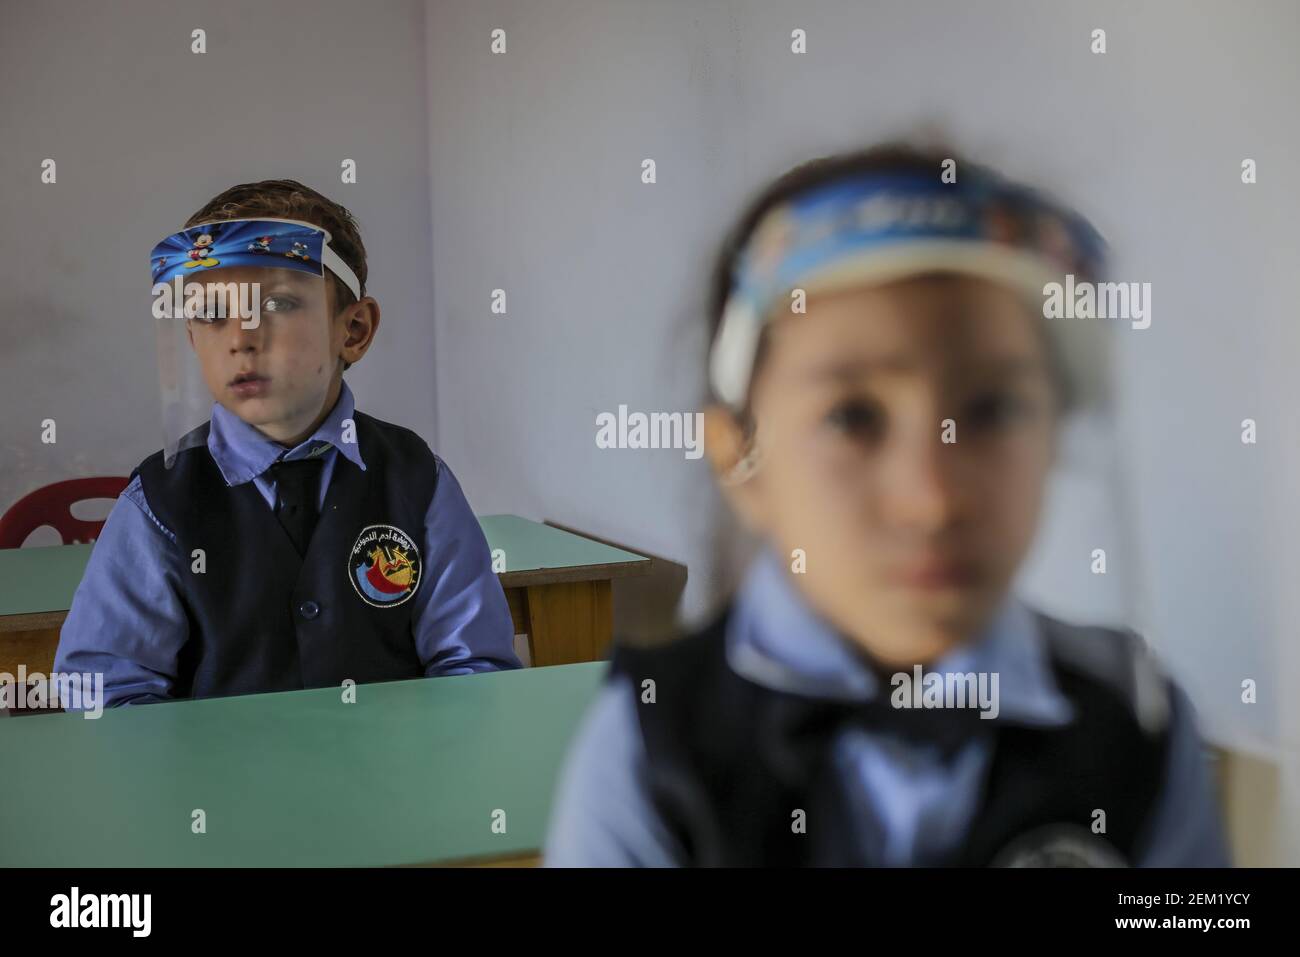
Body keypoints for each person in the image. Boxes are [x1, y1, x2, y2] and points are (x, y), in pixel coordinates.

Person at [545, 144, 1229, 866]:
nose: (932, 500)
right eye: (852, 417)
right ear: (738, 458)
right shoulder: (650, 743)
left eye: (994, 407)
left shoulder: (1137, 726)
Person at [55, 180, 519, 706]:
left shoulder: (418, 479)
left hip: (393, 781)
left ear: (355, 330)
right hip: (216, 785)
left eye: (276, 302)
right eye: (211, 313)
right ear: (190, 338)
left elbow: (475, 670)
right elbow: (107, 693)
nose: (241, 337)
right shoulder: (159, 503)